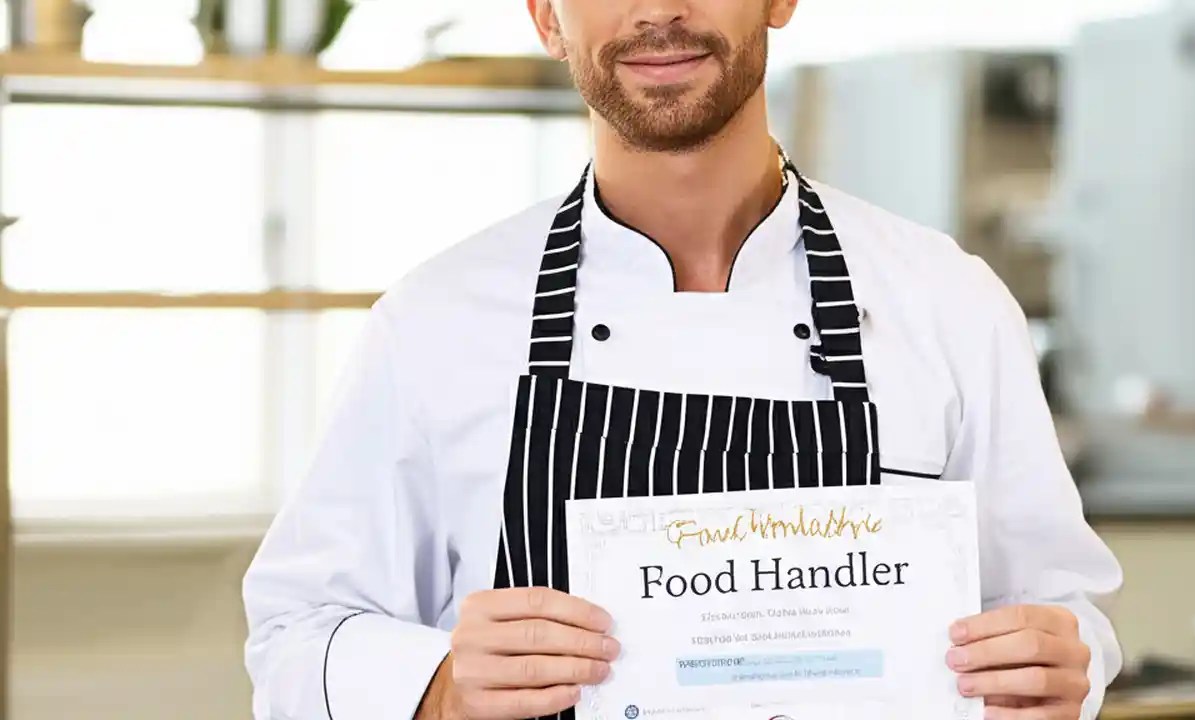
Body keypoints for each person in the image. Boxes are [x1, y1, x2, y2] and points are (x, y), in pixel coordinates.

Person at [242, 1, 1124, 719]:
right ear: (545, 17)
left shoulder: (949, 303)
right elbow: (293, 638)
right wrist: (438, 689)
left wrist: (1057, 671)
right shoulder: (436, 321)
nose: (658, 11)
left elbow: (1062, 611)